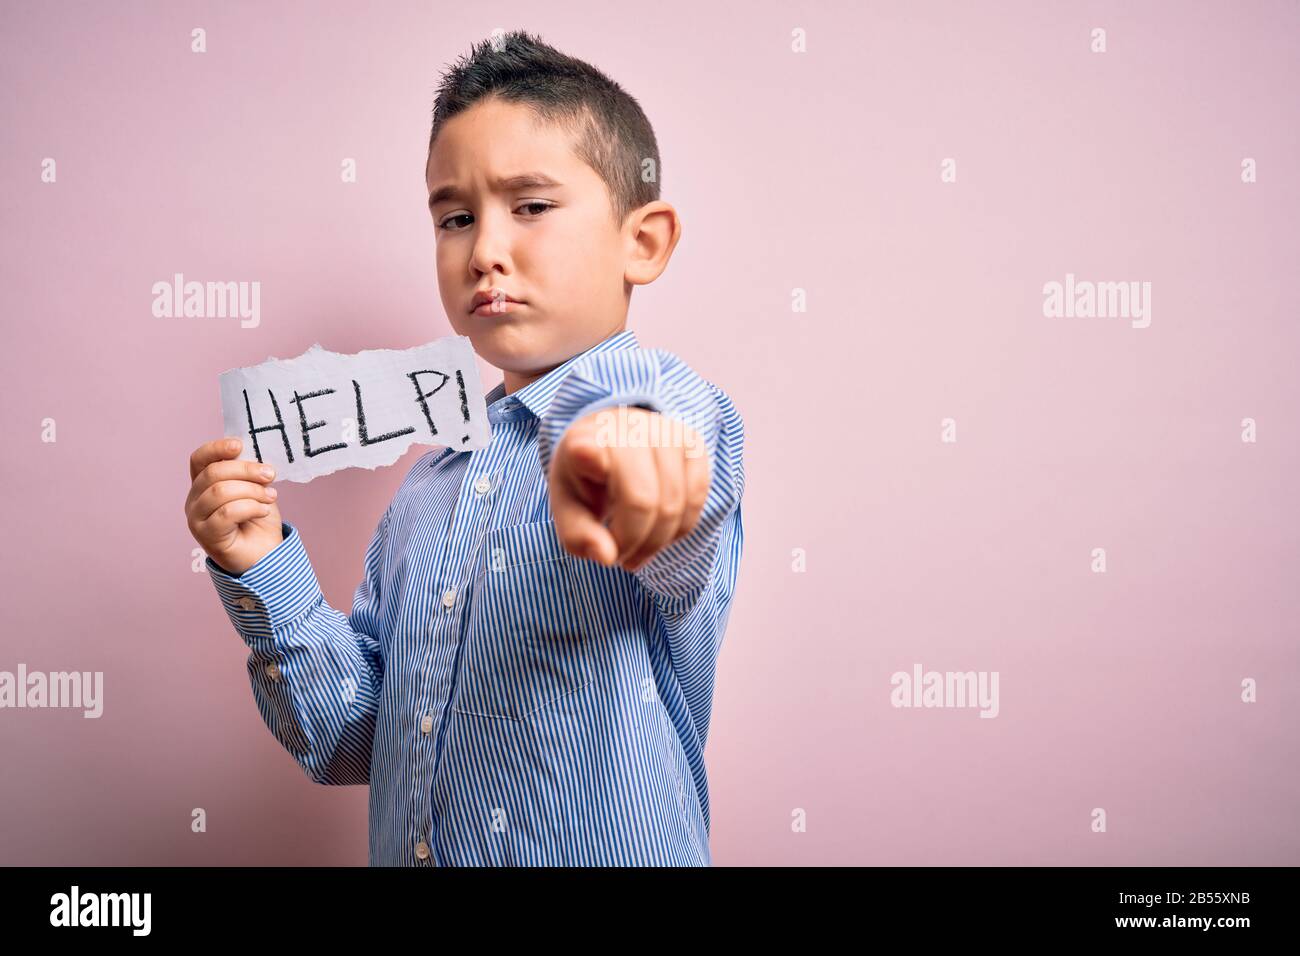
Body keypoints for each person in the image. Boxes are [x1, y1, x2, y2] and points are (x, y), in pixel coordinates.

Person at [183, 30, 745, 866]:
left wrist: (629, 456)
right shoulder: (425, 491)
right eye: (455, 217)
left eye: (531, 206)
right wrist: (261, 566)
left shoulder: (667, 407)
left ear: (644, 242)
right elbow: (351, 739)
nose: (484, 250)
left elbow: (674, 487)